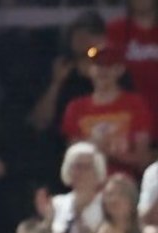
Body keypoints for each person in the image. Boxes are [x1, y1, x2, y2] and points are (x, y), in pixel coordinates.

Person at [61, 45, 152, 178]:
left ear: (120, 70)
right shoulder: (76, 107)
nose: (103, 71)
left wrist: (105, 151)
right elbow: (72, 157)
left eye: (109, 65)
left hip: (125, 184)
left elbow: (143, 159)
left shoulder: (135, 104)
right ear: (89, 69)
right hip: (87, 186)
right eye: (98, 65)